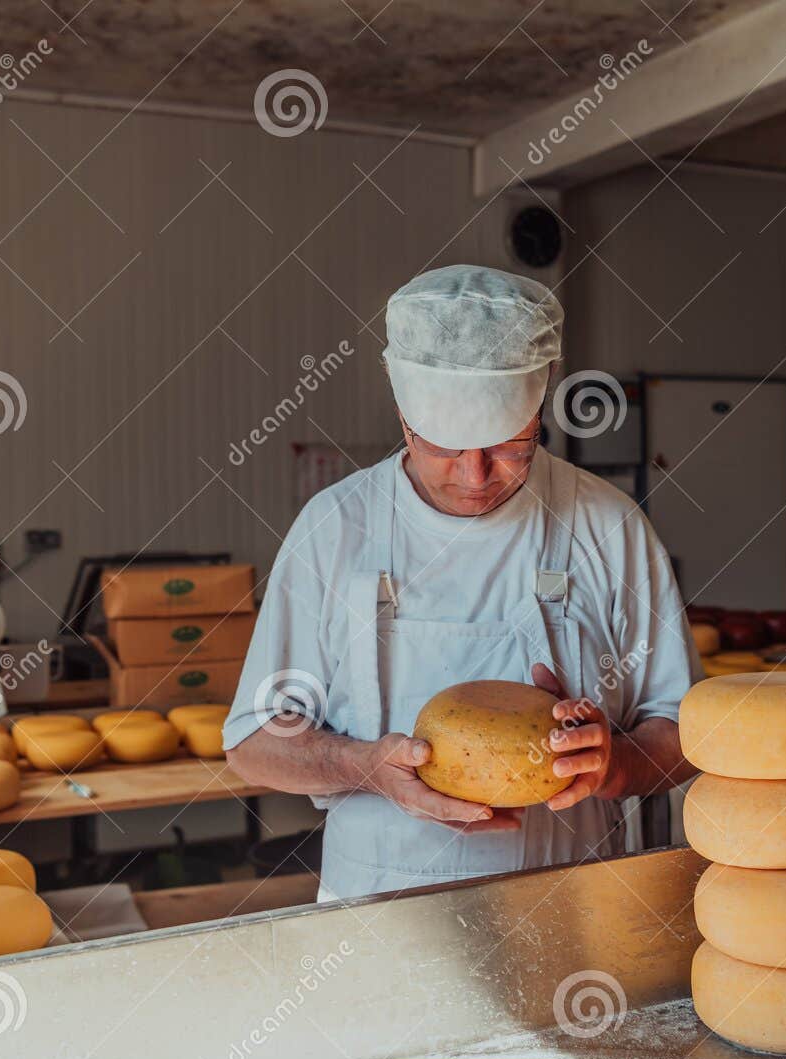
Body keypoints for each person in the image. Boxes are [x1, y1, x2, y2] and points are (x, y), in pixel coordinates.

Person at [225, 264, 700, 900]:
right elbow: (254, 742)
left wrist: (617, 764)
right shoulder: (337, 527)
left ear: (539, 406)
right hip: (377, 909)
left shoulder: (607, 524)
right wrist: (363, 767)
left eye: (509, 445)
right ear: (403, 414)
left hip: (573, 903)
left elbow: (684, 733)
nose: (475, 476)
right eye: (446, 447)